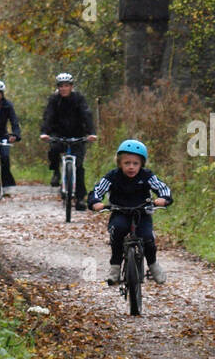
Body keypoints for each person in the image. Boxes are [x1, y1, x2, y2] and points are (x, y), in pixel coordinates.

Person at [88, 139, 172, 284]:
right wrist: (96, 202)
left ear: (142, 164)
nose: (131, 167)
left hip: (142, 213)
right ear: (120, 163)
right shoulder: (113, 176)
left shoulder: (146, 176)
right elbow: (98, 190)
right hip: (119, 211)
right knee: (117, 232)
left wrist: (164, 198)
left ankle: (153, 265)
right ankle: (115, 268)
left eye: (135, 163)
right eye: (127, 163)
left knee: (148, 238)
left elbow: (162, 188)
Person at [40, 72, 98, 210]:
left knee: (78, 167)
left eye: (66, 86)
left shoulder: (79, 99)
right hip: (59, 134)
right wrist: (45, 133)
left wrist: (91, 133)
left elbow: (86, 114)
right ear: (58, 88)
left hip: (78, 135)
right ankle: (56, 172)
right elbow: (48, 116)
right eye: (61, 86)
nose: (63, 89)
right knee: (53, 150)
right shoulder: (54, 100)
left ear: (71, 87)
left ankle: (79, 199)